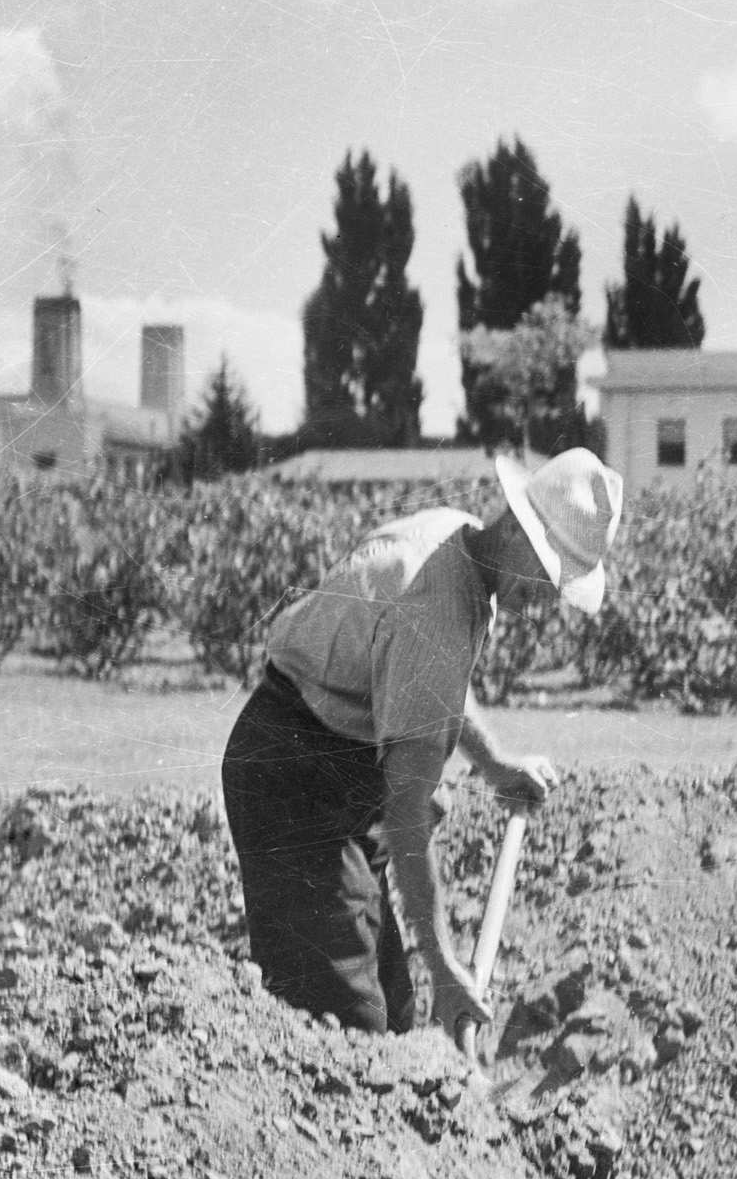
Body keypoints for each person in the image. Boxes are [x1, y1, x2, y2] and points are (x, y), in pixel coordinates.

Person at [221, 447, 623, 1051]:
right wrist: (444, 968)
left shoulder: (454, 540)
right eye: (549, 571)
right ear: (516, 530)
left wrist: (493, 763)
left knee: (392, 1014)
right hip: (292, 781)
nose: (548, 599)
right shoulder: (435, 605)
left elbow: (438, 683)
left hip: (334, 762)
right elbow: (407, 811)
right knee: (345, 1030)